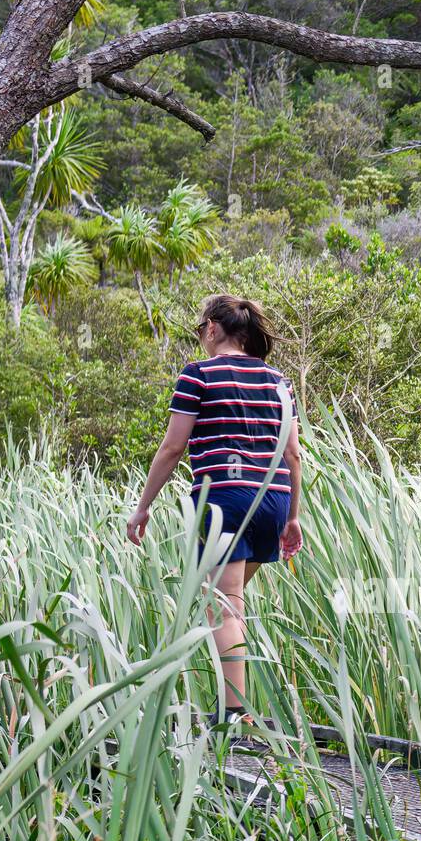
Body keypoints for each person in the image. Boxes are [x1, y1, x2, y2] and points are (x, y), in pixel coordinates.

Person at [127, 294, 303, 723]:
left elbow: (173, 448)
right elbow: (294, 454)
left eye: (199, 330)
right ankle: (237, 700)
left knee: (224, 605)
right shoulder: (280, 382)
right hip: (274, 499)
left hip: (224, 500)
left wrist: (142, 507)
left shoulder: (198, 375)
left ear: (211, 328)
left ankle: (234, 713)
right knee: (230, 602)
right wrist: (294, 516)